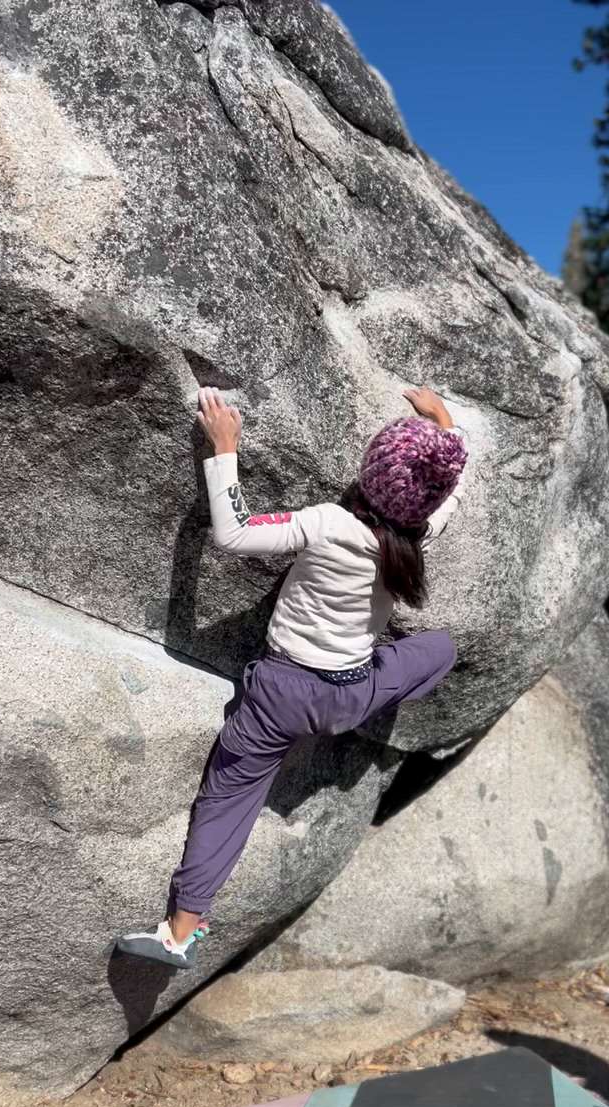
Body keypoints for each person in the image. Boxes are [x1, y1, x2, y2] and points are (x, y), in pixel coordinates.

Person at [117, 385, 469, 968]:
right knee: (440, 648)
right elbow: (447, 492)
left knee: (229, 798)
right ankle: (376, 709)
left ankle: (181, 931)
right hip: (354, 694)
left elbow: (233, 534)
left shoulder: (328, 523)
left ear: (369, 470)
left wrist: (223, 446)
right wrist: (445, 425)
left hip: (280, 696)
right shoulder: (416, 534)